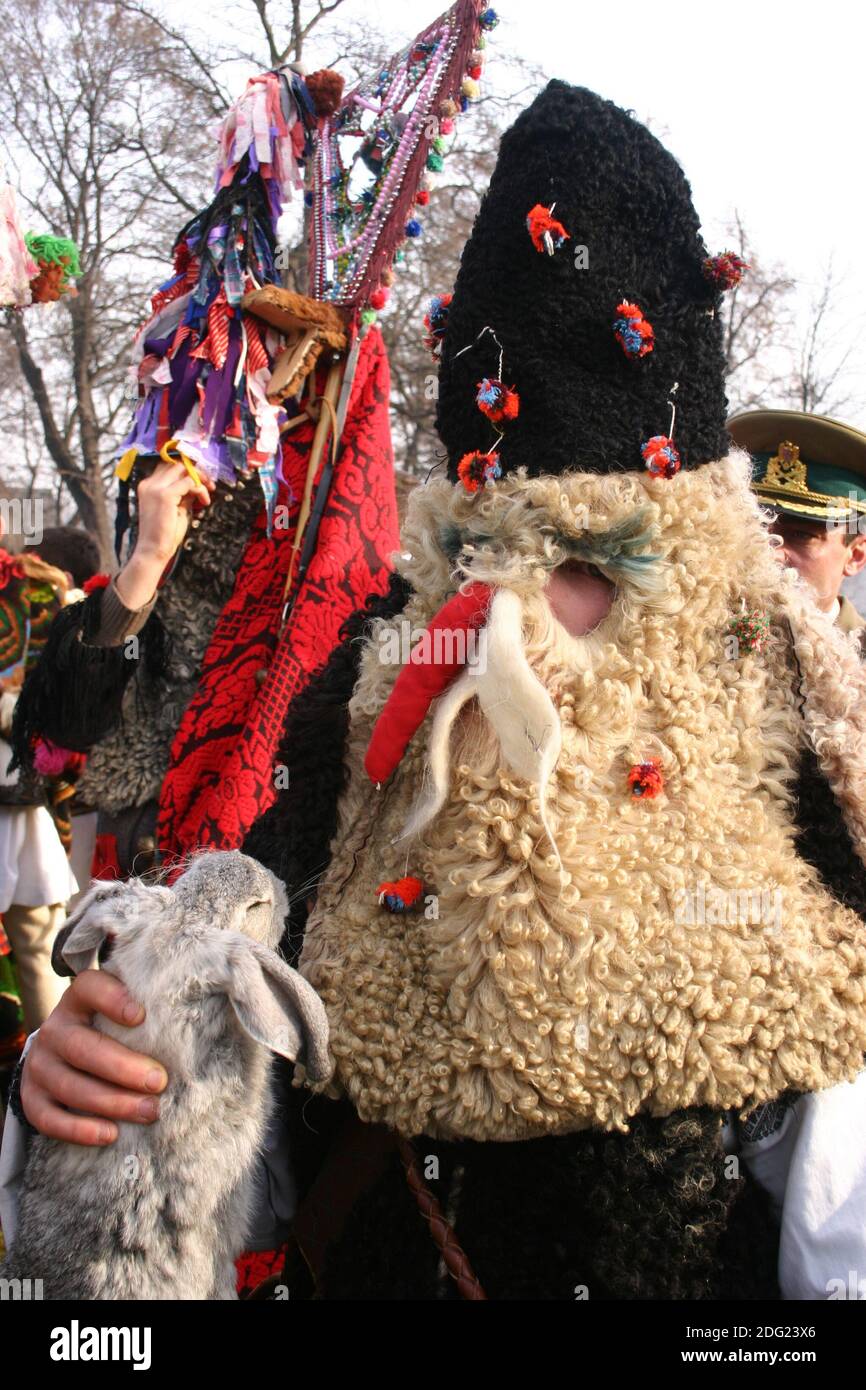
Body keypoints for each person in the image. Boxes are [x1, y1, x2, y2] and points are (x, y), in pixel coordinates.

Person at [8, 80, 866, 1302]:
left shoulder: (805, 875)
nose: (498, 623)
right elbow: (191, 1201)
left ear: (685, 588)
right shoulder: (341, 775)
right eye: (474, 554)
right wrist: (84, 1082)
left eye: (577, 564)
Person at [729, 409, 866, 634]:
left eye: (801, 535)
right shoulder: (692, 647)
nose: (772, 552)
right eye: (757, 529)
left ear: (856, 556)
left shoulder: (859, 663)